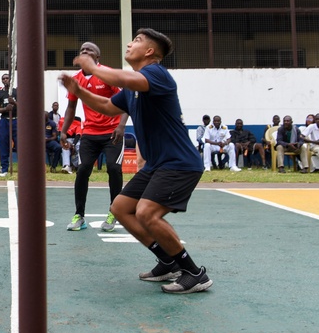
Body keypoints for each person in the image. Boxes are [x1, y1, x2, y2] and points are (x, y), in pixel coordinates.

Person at [60, 29, 212, 294]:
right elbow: (107, 106)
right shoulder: (133, 89)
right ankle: (167, 261)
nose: (130, 44)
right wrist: (79, 91)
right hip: (156, 165)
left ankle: (194, 273)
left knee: (146, 213)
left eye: (137, 41)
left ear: (150, 51)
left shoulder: (157, 74)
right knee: (120, 208)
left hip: (178, 163)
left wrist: (92, 68)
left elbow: (121, 78)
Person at [61, 42, 127, 233]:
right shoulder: (76, 80)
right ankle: (79, 216)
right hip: (90, 132)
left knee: (114, 168)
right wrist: (64, 131)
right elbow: (71, 107)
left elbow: (126, 101)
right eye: (82, 50)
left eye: (89, 50)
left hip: (112, 131)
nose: (85, 51)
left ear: (98, 57)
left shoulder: (107, 74)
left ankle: (114, 212)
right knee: (82, 170)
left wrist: (121, 125)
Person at [0, 73, 18, 177]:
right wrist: (6, 109)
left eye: (7, 78)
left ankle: (23, 169)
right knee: (3, 145)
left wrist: (14, 102)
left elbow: (23, 107)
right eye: (3, 78)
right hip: (4, 120)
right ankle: (4, 169)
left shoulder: (16, 92)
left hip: (16, 120)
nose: (5, 80)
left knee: (20, 144)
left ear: (10, 79)